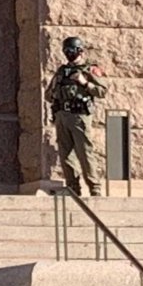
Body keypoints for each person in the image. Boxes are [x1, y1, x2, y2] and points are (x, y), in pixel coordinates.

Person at [44, 37, 108, 197]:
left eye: (72, 50)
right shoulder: (62, 71)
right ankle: (73, 187)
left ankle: (94, 188)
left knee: (85, 152)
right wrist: (54, 94)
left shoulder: (89, 70)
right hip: (62, 116)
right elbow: (48, 94)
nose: (69, 53)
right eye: (66, 50)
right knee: (65, 154)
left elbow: (102, 91)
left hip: (79, 116)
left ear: (80, 51)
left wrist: (84, 83)